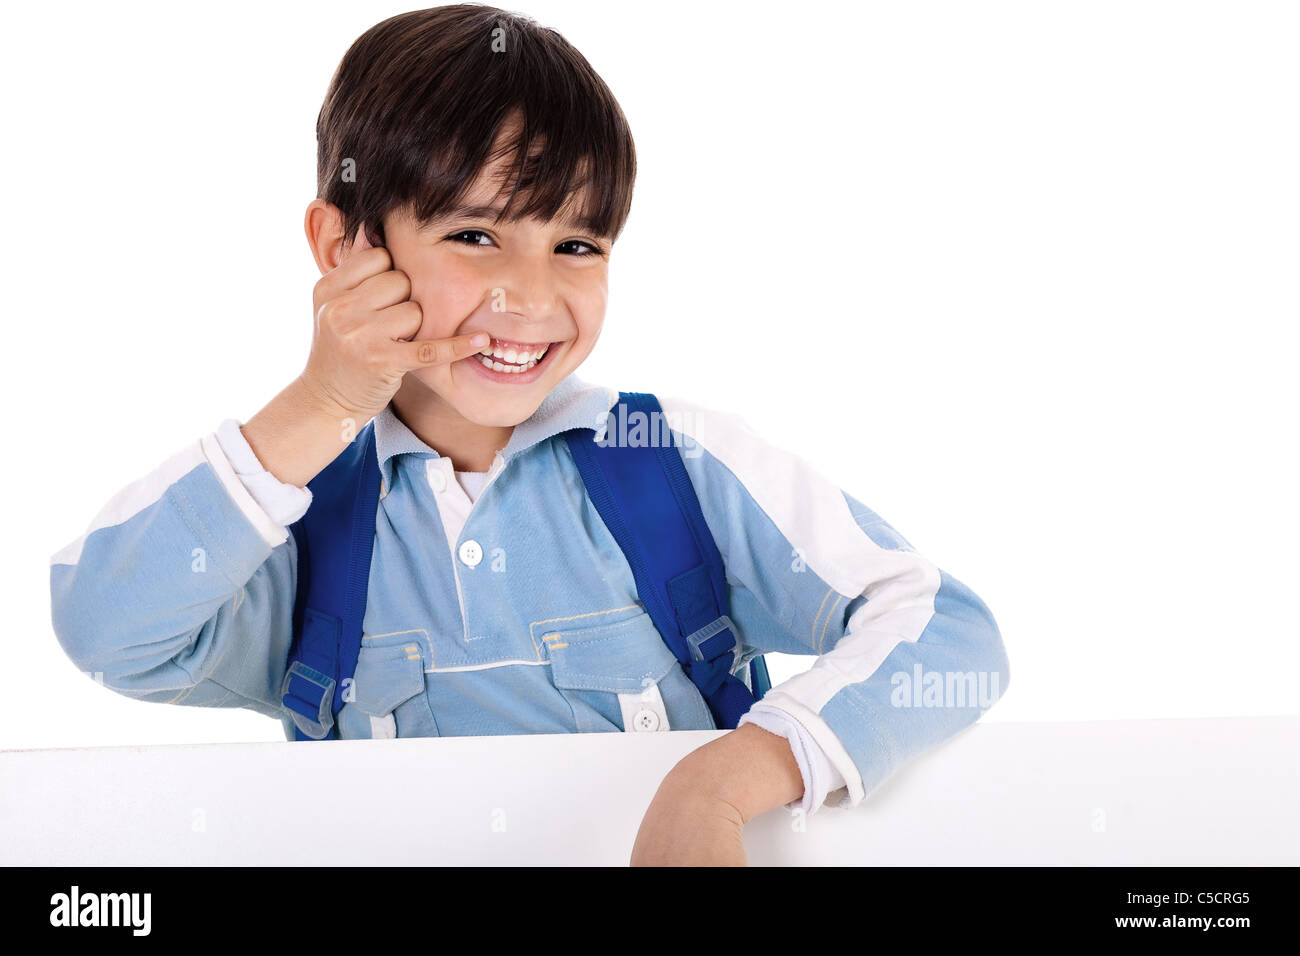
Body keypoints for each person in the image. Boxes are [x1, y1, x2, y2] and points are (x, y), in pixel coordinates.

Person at [49, 4, 1010, 865]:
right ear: (347, 249)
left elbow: (946, 628)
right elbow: (108, 633)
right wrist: (323, 403)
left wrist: (720, 782)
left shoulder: (668, 464)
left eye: (577, 246)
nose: (533, 299)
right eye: (476, 236)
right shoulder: (299, 515)